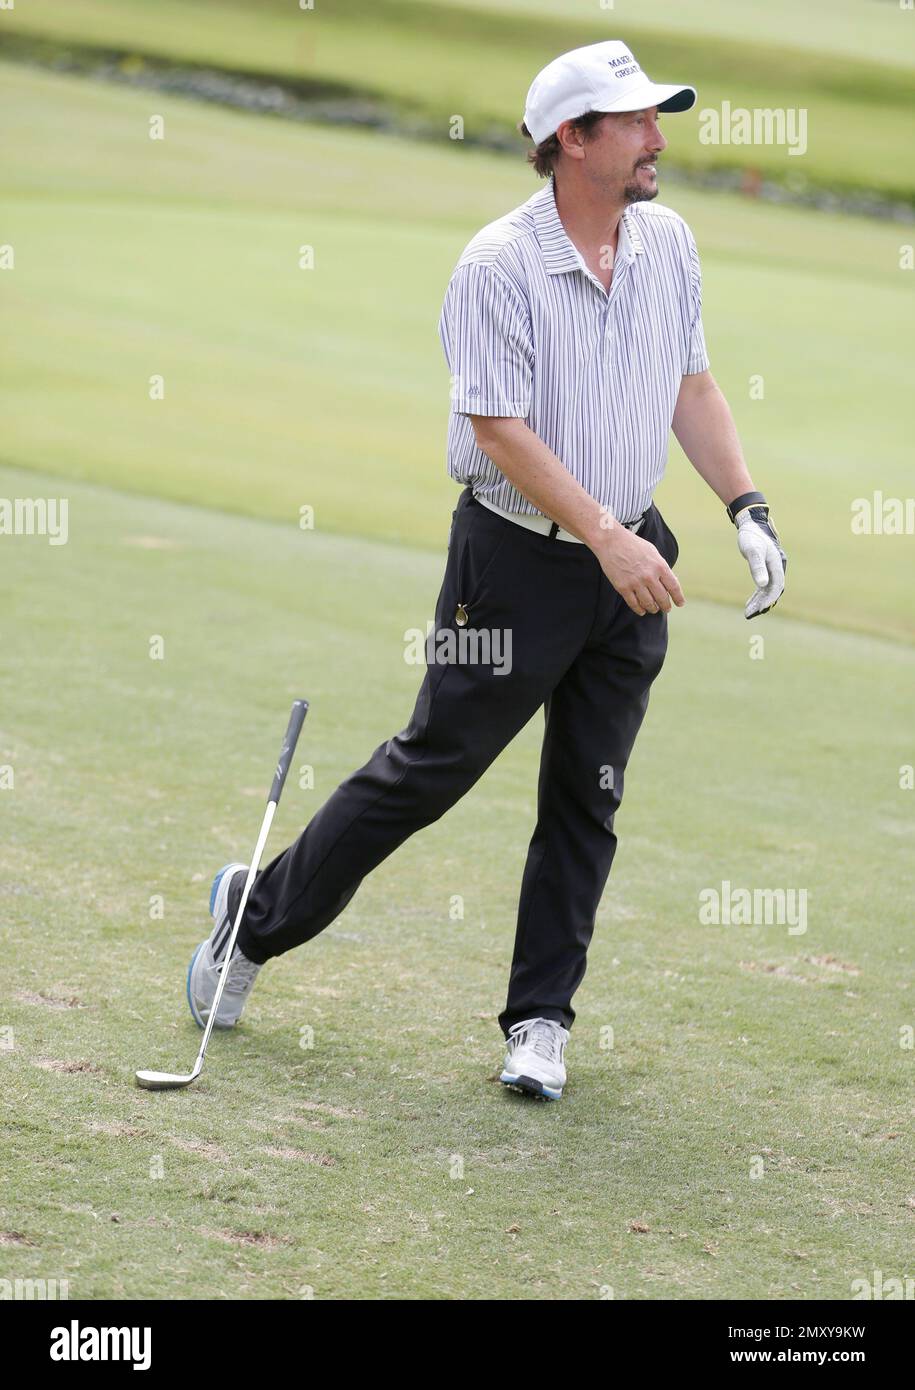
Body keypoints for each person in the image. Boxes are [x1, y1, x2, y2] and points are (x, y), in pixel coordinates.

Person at [185, 40, 787, 1101]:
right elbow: (498, 429)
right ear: (573, 140)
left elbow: (693, 384)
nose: (658, 137)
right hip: (510, 562)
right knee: (432, 768)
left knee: (586, 799)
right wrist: (605, 533)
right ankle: (254, 918)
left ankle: (540, 1022)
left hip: (629, 558)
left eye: (658, 118)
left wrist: (746, 506)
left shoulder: (669, 241)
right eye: (637, 121)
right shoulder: (497, 265)